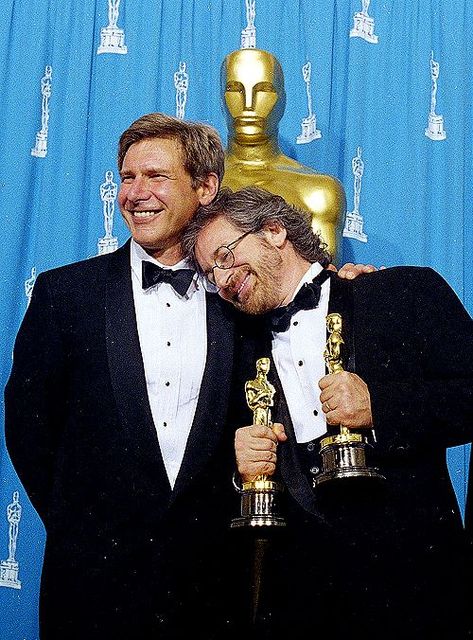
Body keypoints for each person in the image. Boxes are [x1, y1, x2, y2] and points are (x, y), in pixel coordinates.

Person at [4, 111, 373, 639]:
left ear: (205, 187)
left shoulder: (242, 297)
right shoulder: (66, 295)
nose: (136, 193)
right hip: (92, 585)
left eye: (156, 176)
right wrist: (82, 526)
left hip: (213, 586)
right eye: (127, 177)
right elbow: (29, 428)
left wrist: (353, 284)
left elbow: (302, 320)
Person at [182, 185, 473, 639]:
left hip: (416, 591)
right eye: (208, 274)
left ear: (275, 231)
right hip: (303, 604)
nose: (219, 280)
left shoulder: (401, 292)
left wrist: (381, 407)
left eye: (224, 255)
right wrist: (238, 467)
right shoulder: (230, 347)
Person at [221, 47, 346, 263]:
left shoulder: (318, 193)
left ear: (283, 101)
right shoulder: (193, 185)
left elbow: (324, 285)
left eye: (263, 90)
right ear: (221, 98)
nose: (248, 105)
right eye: (235, 90)